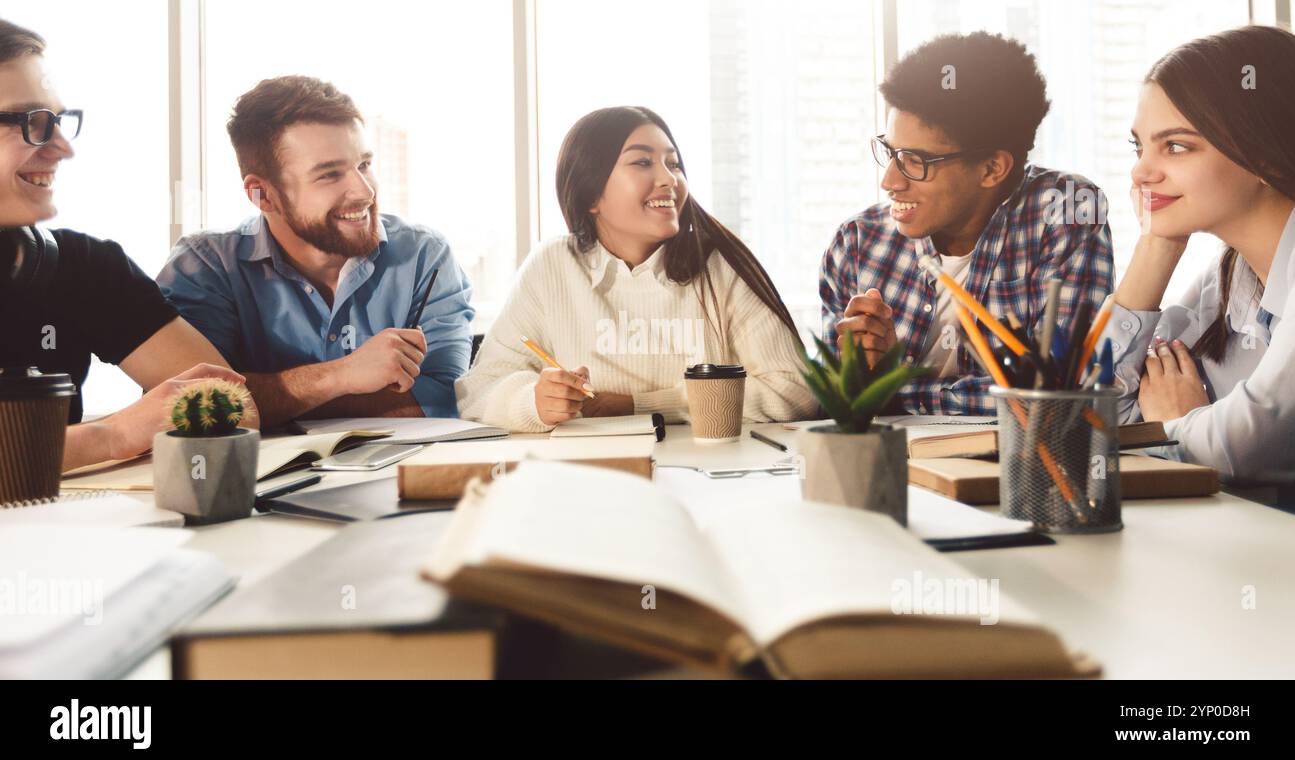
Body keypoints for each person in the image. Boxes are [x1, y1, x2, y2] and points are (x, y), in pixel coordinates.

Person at [457, 106, 817, 431]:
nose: (669, 179)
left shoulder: (720, 266)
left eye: (673, 164)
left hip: (713, 476)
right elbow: (480, 390)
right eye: (643, 163)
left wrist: (642, 406)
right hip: (591, 477)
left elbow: (797, 389)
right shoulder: (553, 265)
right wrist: (533, 401)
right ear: (591, 196)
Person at [0, 18, 249, 471]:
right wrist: (110, 436)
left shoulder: (86, 267)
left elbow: (235, 406)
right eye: (33, 123)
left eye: (59, 121)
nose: (63, 148)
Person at [821, 32, 1114, 415]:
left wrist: (892, 389)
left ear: (992, 168)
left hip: (1019, 469)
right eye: (890, 152)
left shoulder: (1066, 212)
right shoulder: (858, 243)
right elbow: (832, 401)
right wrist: (866, 376)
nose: (890, 181)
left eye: (915, 160)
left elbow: (1059, 395)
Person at [157, 76, 474, 426]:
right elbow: (186, 406)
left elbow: (447, 398)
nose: (364, 191)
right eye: (330, 175)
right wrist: (341, 376)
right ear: (262, 194)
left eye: (364, 165)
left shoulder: (424, 257)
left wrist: (266, 401)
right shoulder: (206, 267)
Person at [1109, 25, 1295, 493]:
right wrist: (1158, 245)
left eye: (1175, 146)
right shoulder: (1228, 277)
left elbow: (1250, 445)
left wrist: (1178, 419)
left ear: (1266, 158)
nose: (1140, 171)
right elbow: (1085, 414)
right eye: (1139, 146)